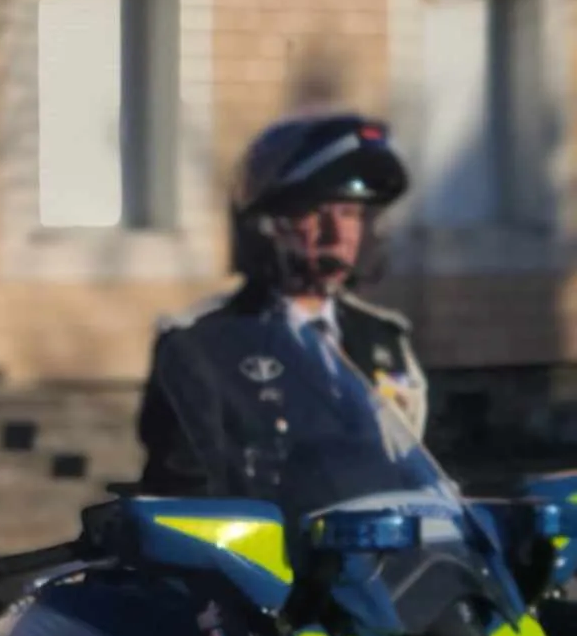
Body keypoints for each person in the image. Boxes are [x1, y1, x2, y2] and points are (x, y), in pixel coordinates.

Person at [136, 111, 426, 495]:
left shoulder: (385, 340)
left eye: (352, 213)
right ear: (268, 223)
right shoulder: (200, 346)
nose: (338, 233)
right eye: (320, 213)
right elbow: (184, 499)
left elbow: (424, 479)